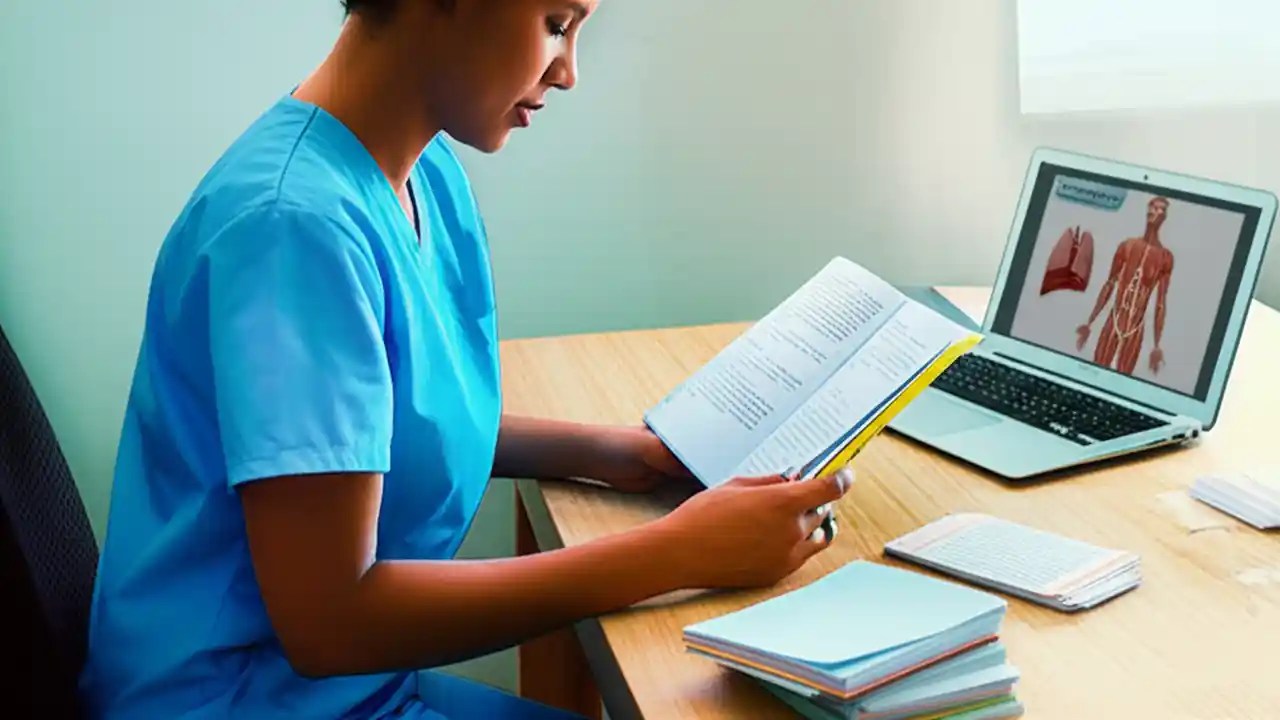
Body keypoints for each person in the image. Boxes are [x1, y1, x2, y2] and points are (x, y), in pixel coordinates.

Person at [78, 1, 853, 718]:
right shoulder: (291, 229)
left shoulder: (418, 169)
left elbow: (396, 421)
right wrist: (675, 554)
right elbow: (331, 623)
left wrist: (616, 452)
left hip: (344, 693)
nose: (569, 69)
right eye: (556, 21)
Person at [1075, 197, 1175, 376]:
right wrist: (1090, 322)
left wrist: (1156, 345)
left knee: (1122, 378)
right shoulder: (1127, 246)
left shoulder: (1165, 258)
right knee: (1096, 373)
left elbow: (1161, 303)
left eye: (1160, 209)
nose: (1155, 212)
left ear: (1164, 216)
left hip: (1135, 330)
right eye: (1152, 207)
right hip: (1113, 321)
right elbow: (1109, 284)